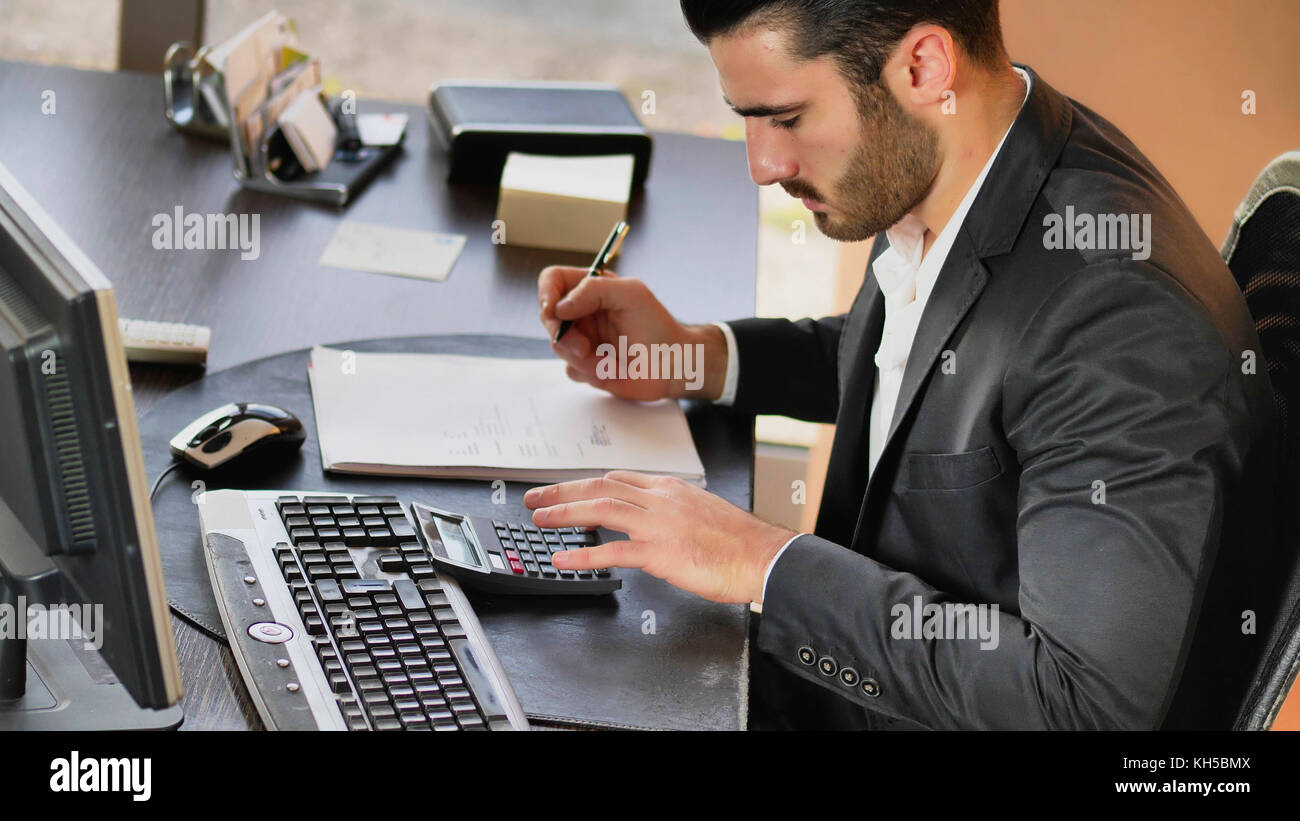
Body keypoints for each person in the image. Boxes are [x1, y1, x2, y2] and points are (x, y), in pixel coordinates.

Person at [528, 0, 1283, 729]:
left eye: (787, 118)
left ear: (923, 67)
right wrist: (694, 356)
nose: (764, 165)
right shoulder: (964, 163)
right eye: (747, 119)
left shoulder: (1117, 318)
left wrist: (766, 561)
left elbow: (1079, 706)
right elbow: (917, 368)